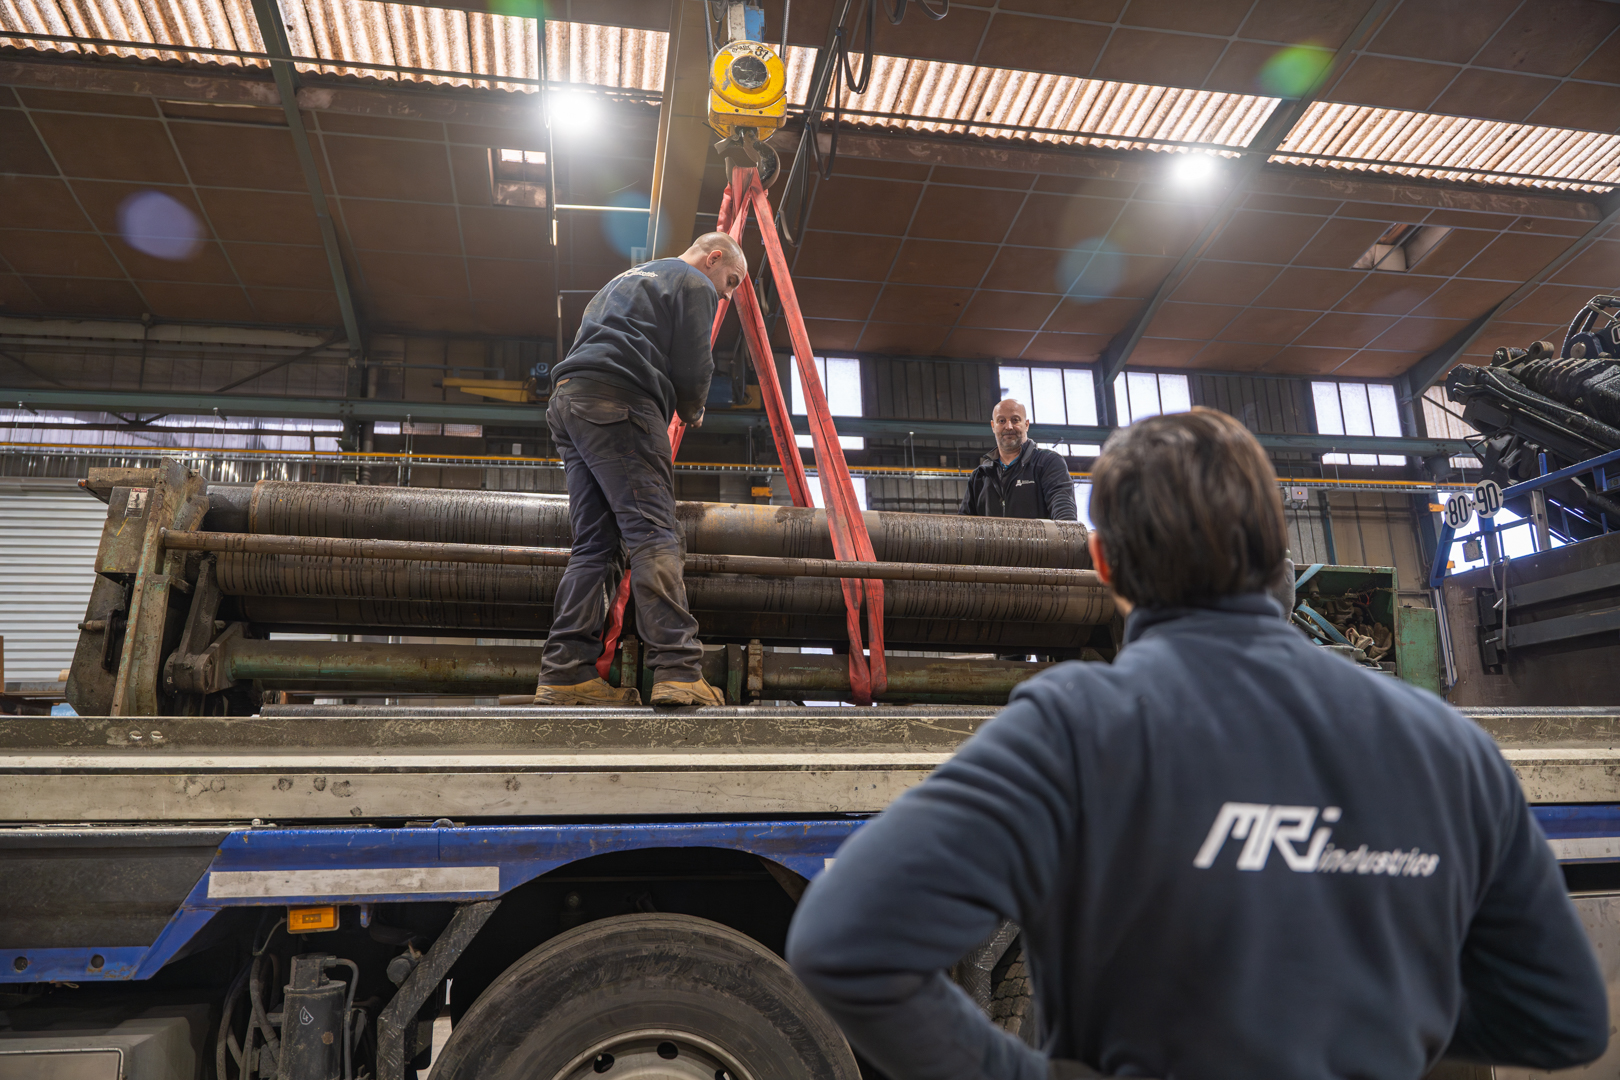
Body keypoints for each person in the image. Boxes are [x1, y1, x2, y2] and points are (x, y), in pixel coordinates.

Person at [787, 408, 1607, 1079]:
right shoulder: (1447, 748)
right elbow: (1564, 1020)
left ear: (1102, 564)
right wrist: (1379, 1014)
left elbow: (848, 942)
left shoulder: (1076, 727)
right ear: (1277, 553)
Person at [534, 234, 746, 708]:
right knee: (655, 536)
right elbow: (694, 366)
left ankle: (565, 674)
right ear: (713, 259)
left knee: (596, 545)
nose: (727, 294)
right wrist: (692, 409)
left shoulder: (622, 281)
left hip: (570, 401)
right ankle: (677, 670)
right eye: (730, 281)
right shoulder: (693, 282)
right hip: (622, 406)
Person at [958, 398, 1077, 521]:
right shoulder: (980, 476)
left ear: (1026, 425)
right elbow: (964, 524)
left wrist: (1067, 535)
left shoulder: (1048, 463)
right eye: (1001, 421)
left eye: (1015, 420)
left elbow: (1063, 506)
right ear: (993, 426)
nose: (1008, 427)